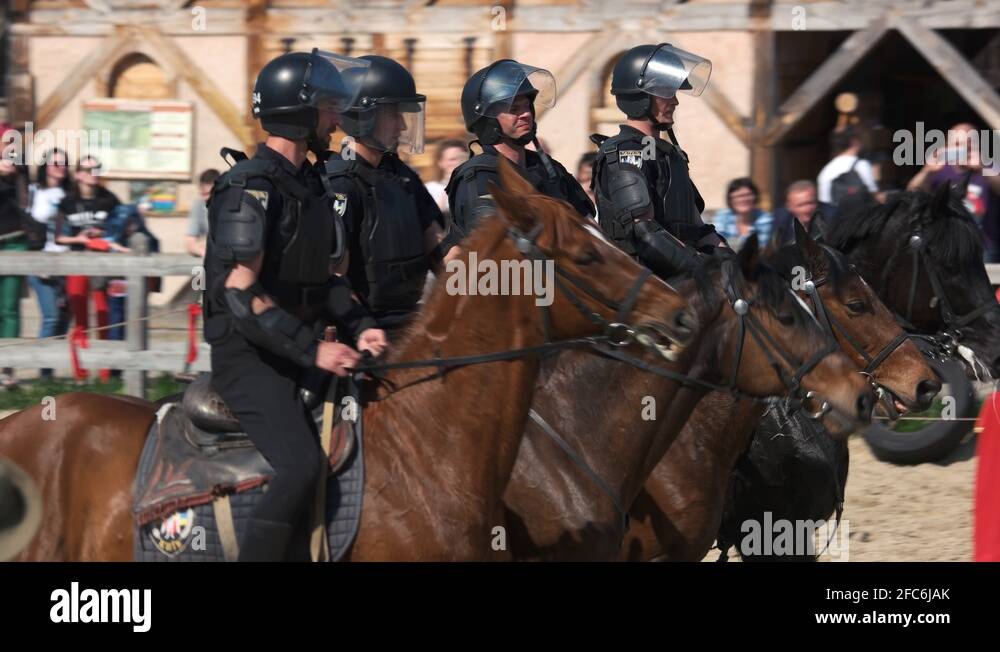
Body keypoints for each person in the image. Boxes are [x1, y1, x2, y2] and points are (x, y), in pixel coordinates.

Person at [203, 49, 386, 561]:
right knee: (302, 465)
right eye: (328, 107)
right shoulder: (248, 188)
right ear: (300, 111)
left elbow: (324, 281)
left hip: (298, 351)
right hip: (250, 361)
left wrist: (362, 324)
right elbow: (240, 293)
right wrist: (314, 350)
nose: (336, 118)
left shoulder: (310, 184)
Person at [323, 55, 447, 334]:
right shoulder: (340, 183)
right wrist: (361, 330)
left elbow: (439, 248)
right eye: (393, 115)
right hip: (364, 331)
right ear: (362, 115)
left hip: (413, 321)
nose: (402, 127)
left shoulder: (402, 177)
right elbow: (334, 277)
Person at [591, 43, 725, 279]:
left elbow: (698, 228)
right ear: (640, 97)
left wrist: (735, 264)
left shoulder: (671, 155)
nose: (674, 101)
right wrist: (702, 270)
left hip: (686, 282)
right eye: (666, 93)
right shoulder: (624, 153)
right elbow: (644, 232)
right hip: (642, 286)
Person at [443, 59, 594, 257]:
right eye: (514, 109)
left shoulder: (550, 168)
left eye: (526, 106)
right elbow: (496, 254)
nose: (525, 115)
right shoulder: (479, 176)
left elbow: (588, 225)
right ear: (488, 120)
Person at [54, 155, 127, 382]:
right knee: (80, 319)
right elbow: (58, 237)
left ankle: (105, 374)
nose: (92, 173)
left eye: (96, 168)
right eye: (86, 169)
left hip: (102, 263)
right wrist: (80, 238)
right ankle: (81, 373)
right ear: (77, 174)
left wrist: (106, 237)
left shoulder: (109, 199)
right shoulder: (67, 201)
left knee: (104, 315)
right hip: (77, 262)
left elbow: (122, 227)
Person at [907, 122, 1000, 263]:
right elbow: (912, 193)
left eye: (970, 142)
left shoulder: (989, 167)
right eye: (958, 143)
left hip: (983, 244)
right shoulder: (939, 169)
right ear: (947, 146)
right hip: (946, 244)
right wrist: (926, 171)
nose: (964, 147)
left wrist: (982, 169)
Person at [25, 149, 71, 380]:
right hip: (41, 259)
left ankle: (50, 370)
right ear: (45, 166)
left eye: (63, 164)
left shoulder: (69, 193)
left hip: (69, 262)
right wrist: (36, 260)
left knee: (64, 319)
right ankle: (43, 372)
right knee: (51, 315)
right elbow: (27, 227)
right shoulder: (33, 192)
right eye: (54, 163)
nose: (59, 167)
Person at [0, 137, 30, 389]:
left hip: (14, 242)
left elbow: (26, 204)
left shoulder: (20, 176)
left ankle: (6, 368)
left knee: (9, 309)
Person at [816, 126, 878, 216]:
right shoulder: (861, 165)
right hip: (858, 221)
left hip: (834, 224)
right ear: (854, 141)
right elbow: (874, 196)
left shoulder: (825, 171)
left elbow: (825, 205)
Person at [769, 179, 838, 247]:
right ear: (789, 207)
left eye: (811, 203)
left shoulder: (833, 216)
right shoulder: (781, 219)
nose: (807, 209)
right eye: (801, 205)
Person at [711, 177, 773, 250]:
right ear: (730, 200)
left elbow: (761, 248)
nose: (744, 199)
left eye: (748, 195)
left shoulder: (765, 219)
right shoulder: (722, 217)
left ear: (755, 197)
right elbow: (717, 246)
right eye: (739, 196)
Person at [423, 139, 467, 218]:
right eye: (452, 159)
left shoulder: (474, 186)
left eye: (461, 159)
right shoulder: (431, 188)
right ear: (440, 163)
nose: (458, 163)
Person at [185, 168, 220, 258]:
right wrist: (204, 253)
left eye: (208, 193)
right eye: (203, 194)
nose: (205, 198)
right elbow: (190, 242)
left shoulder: (231, 203)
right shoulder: (199, 205)